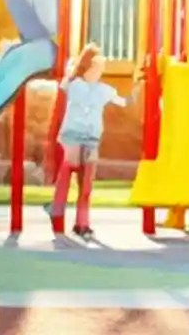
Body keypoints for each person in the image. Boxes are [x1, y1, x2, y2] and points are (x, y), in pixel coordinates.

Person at [45, 44, 138, 239]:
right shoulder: (73, 83)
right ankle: (57, 210)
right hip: (72, 136)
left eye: (100, 70)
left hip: (92, 139)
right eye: (95, 69)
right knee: (67, 173)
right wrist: (73, 69)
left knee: (86, 186)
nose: (98, 73)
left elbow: (124, 101)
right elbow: (63, 85)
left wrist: (138, 88)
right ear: (86, 67)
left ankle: (82, 223)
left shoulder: (103, 90)